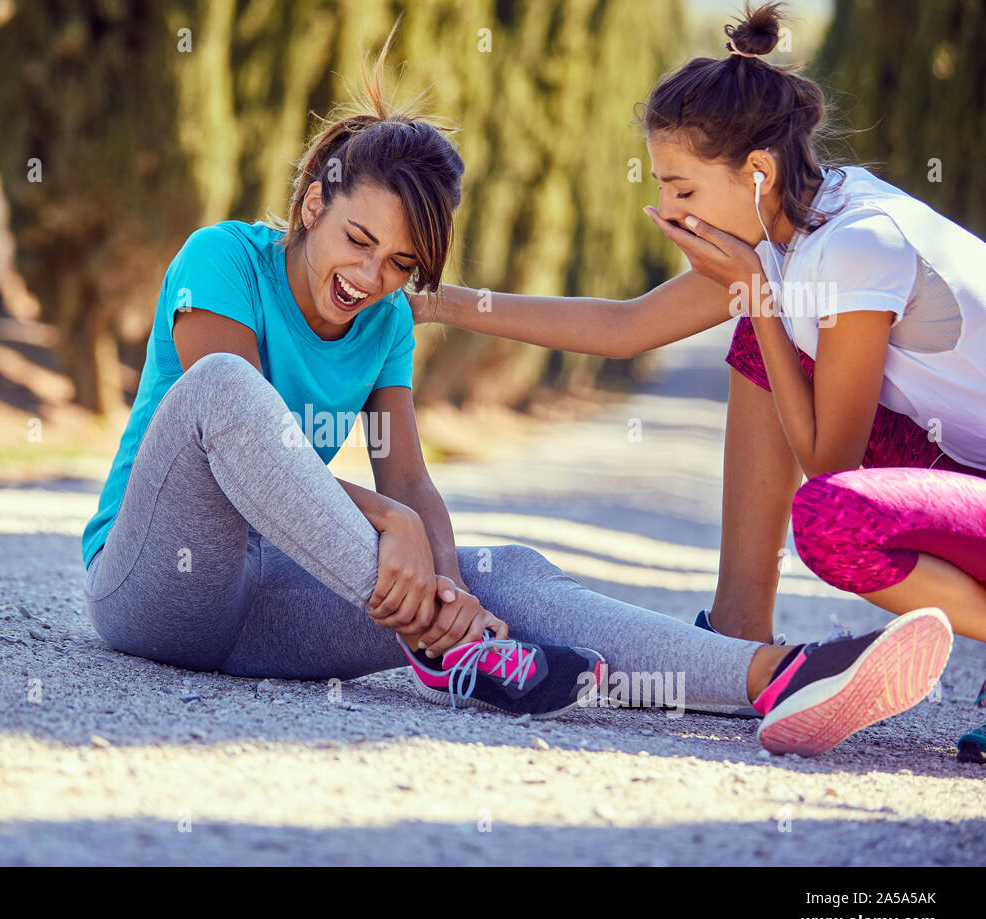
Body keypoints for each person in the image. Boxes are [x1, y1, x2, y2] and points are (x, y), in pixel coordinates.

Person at [80, 34, 953, 757]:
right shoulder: (222, 259)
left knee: (511, 572)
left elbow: (411, 481)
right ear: (313, 203)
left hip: (272, 608)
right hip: (157, 587)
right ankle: (451, 649)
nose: (372, 276)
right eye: (358, 240)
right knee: (230, 388)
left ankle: (774, 676)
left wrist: (451, 577)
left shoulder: (384, 317)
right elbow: (235, 439)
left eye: (402, 266)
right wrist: (392, 526)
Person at [411, 2, 984, 761]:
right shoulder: (785, 228)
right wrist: (434, 302)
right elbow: (623, 328)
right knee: (760, 325)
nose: (665, 211)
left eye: (681, 189)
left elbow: (835, 476)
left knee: (798, 423)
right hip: (964, 477)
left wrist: (758, 296)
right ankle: (740, 625)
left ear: (757, 173)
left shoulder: (853, 245)